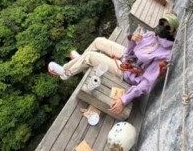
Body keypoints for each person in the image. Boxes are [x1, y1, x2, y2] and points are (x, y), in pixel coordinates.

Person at [48, 14, 179, 115]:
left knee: (91, 57)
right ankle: (81, 61)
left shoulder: (164, 55)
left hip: (129, 72)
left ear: (173, 32)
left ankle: (66, 72)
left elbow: (147, 82)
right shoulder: (152, 35)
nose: (162, 27)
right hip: (128, 57)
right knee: (98, 41)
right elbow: (131, 50)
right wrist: (132, 39)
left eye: (167, 27)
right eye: (162, 23)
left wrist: (124, 100)